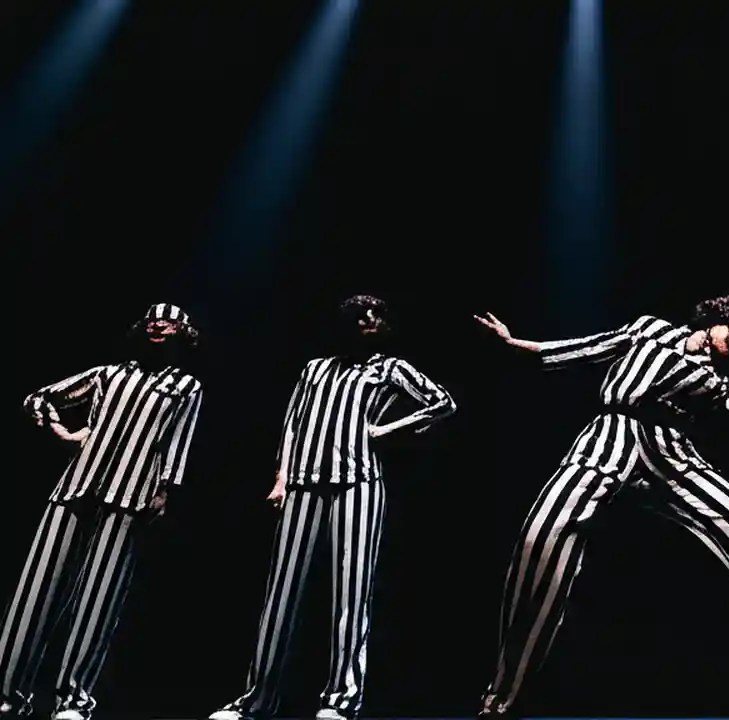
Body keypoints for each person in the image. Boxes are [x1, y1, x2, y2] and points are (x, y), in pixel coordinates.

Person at [472, 293, 729, 720]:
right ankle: (502, 699)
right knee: (543, 534)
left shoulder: (722, 381)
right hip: (609, 437)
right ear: (721, 318)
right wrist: (512, 343)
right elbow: (587, 347)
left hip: (673, 457)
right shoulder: (650, 328)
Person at [209, 295, 456, 720]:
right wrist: (281, 479)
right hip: (304, 484)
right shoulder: (316, 368)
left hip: (358, 483)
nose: (367, 320)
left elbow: (443, 403)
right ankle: (256, 700)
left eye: (375, 314)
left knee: (352, 592)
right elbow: (293, 423)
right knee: (281, 592)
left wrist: (387, 429)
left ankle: (342, 698)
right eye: (359, 315)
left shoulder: (390, 367)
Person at [0, 303, 203, 720]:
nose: (157, 325)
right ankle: (8, 693)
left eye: (167, 322)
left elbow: (177, 443)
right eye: (151, 320)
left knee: (99, 597)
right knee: (35, 591)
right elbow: (39, 399)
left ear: (184, 333)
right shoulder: (109, 374)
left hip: (131, 496)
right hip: (77, 487)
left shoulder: (186, 386)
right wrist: (65, 433)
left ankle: (74, 699)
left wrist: (164, 492)